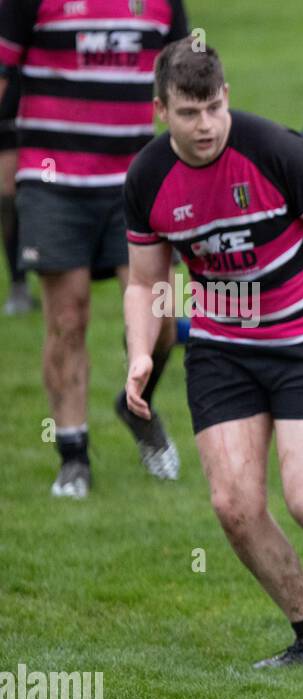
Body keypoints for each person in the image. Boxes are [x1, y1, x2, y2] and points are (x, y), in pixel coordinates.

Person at [122, 41, 303, 669]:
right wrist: (140, 354)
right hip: (221, 350)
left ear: (226, 96)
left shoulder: (274, 150)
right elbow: (146, 281)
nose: (204, 125)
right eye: (187, 112)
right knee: (233, 504)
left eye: (213, 107)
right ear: (160, 111)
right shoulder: (149, 177)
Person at [0, 0, 190, 497]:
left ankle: (136, 407)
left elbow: (184, 77)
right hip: (52, 180)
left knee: (163, 317)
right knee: (67, 317)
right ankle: (73, 455)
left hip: (136, 182)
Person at [0, 55, 34, 315]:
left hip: (40, 119)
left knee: (49, 190)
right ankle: (19, 284)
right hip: (6, 125)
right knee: (8, 198)